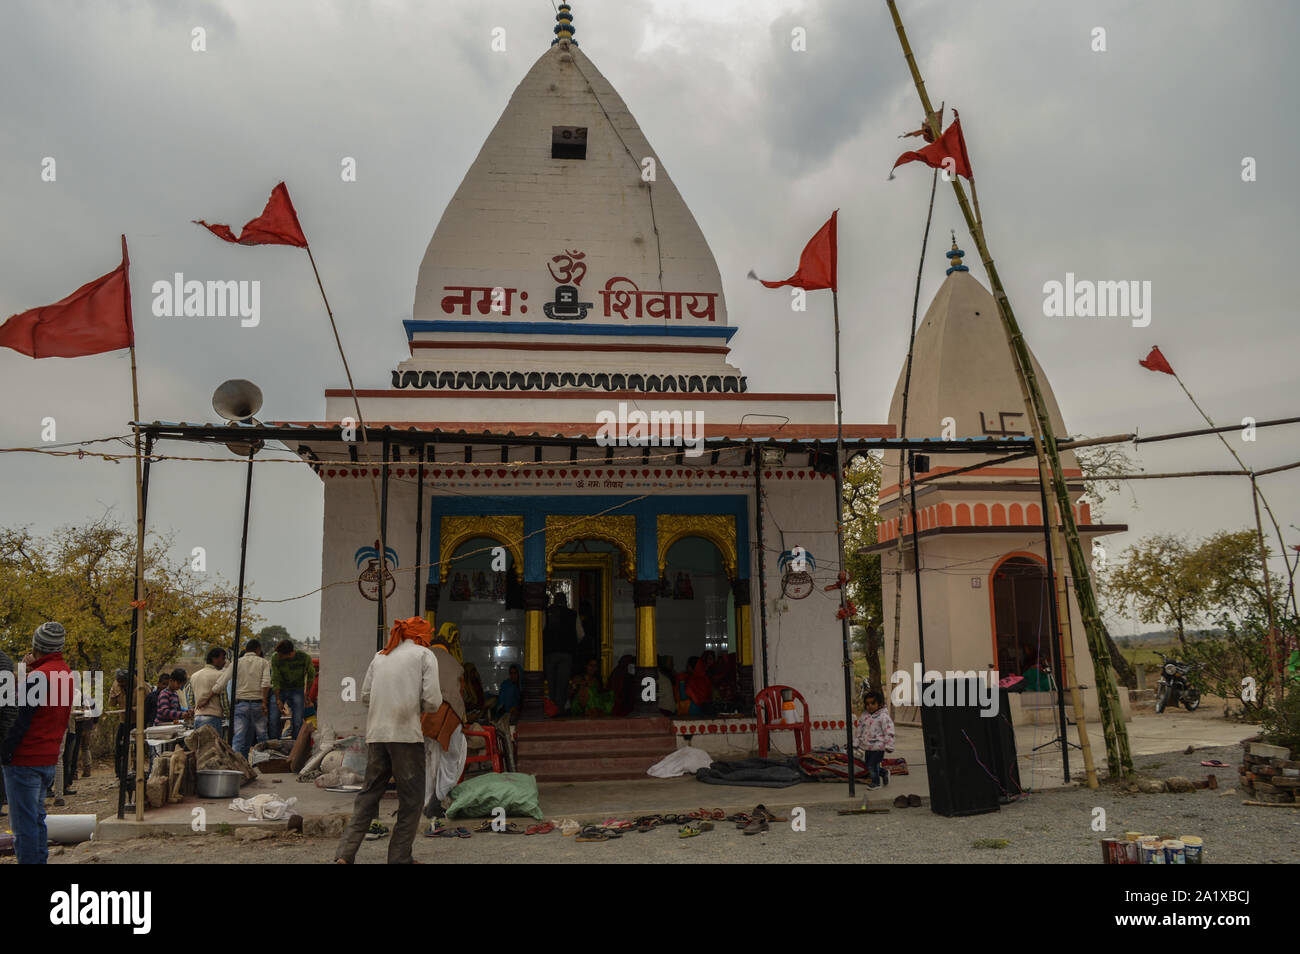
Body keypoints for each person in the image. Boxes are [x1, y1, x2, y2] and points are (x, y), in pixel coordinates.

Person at [335, 617, 441, 865]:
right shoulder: (424, 655)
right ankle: (399, 858)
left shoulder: (380, 656)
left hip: (377, 735)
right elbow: (433, 701)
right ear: (420, 635)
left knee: (368, 795)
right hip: (406, 736)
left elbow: (365, 696)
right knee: (412, 799)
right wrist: (413, 705)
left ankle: (344, 855)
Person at [0, 622, 75, 864]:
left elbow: (19, 720)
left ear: (36, 645)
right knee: (37, 818)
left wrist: (6, 752)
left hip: (25, 759)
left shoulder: (38, 677)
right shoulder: (65, 672)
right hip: (48, 757)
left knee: (23, 827)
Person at [422, 623, 468, 828]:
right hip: (449, 716)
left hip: (424, 717)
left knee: (428, 759)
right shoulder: (456, 664)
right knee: (453, 759)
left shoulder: (422, 657)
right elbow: (461, 694)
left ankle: (427, 801)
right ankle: (436, 800)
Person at [229, 640, 272, 757]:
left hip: (240, 704)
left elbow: (221, 682)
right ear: (258, 650)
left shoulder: (236, 663)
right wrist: (264, 702)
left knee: (239, 737)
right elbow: (266, 683)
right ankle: (264, 762)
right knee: (262, 736)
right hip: (258, 704)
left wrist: (208, 697)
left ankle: (235, 765)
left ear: (246, 649)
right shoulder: (264, 663)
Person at [269, 639, 315, 742]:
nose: (279, 657)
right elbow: (275, 678)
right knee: (273, 718)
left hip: (297, 689)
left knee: (298, 720)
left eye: (281, 655)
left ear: (289, 654)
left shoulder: (304, 657)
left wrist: (306, 694)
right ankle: (274, 744)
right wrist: (278, 700)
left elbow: (311, 675)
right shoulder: (275, 658)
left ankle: (295, 745)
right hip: (280, 689)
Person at [853, 690, 895, 791]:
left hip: (879, 746)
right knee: (868, 765)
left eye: (873, 703)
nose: (869, 706)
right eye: (867, 704)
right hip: (867, 746)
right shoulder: (864, 716)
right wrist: (856, 742)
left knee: (872, 765)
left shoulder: (883, 717)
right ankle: (884, 772)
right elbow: (859, 730)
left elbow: (889, 732)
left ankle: (875, 782)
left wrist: (889, 745)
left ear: (880, 704)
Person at [542, 592, 578, 710]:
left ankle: (552, 709)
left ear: (554, 601)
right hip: (566, 653)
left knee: (551, 684)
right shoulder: (573, 614)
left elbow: (540, 630)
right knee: (562, 685)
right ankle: (559, 709)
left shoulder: (547, 612)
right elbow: (581, 635)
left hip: (550, 653)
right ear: (566, 601)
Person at [189, 647, 229, 734]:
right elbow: (224, 702)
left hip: (198, 718)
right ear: (214, 659)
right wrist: (229, 716)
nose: (224, 662)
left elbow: (191, 701)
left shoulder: (194, 676)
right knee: (214, 746)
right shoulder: (220, 676)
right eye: (222, 658)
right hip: (213, 718)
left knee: (200, 746)